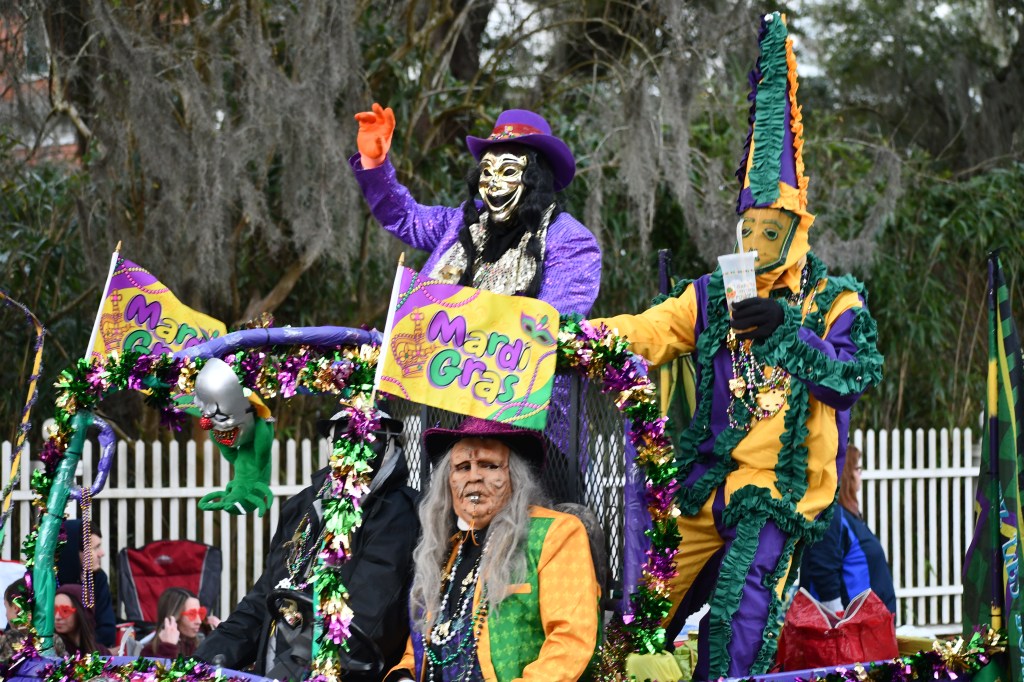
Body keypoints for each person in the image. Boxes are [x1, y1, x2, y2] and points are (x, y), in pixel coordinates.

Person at [590, 12, 883, 679]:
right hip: (706, 483)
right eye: (745, 227)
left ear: (796, 230)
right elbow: (655, 328)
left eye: (768, 228)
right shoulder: (716, 294)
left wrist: (787, 331)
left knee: (735, 616)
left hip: (778, 492)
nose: (752, 242)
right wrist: (578, 337)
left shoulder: (835, 300)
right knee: (637, 610)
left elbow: (850, 377)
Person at [195, 412, 419, 681]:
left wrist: (296, 671)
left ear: (391, 444)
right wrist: (202, 663)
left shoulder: (399, 513)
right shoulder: (302, 506)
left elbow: (369, 618)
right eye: (344, 438)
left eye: (368, 438)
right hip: (276, 667)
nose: (354, 450)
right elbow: (264, 597)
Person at [386, 416, 600, 681]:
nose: (474, 476)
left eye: (489, 465)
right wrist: (404, 674)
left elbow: (570, 643)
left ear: (514, 476)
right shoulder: (449, 550)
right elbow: (429, 643)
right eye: (463, 467)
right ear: (448, 482)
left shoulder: (557, 534)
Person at [351, 105, 601, 317]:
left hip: (512, 371)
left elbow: (552, 329)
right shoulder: (464, 222)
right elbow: (406, 217)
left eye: (508, 171)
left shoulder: (571, 240)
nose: (492, 183)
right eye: (487, 171)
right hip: (433, 364)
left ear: (537, 178)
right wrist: (374, 163)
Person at [800, 445, 897, 613]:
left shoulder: (847, 516)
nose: (860, 474)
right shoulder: (831, 516)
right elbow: (824, 572)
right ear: (846, 473)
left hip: (866, 630)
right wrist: (839, 625)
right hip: (849, 631)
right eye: (857, 468)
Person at [56, 519, 116, 648]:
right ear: (73, 553)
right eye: (95, 548)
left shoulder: (97, 578)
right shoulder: (46, 583)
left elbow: (107, 631)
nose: (102, 553)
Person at [145, 587, 216, 659]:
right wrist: (167, 648)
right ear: (174, 617)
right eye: (191, 614)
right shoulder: (149, 651)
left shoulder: (201, 645)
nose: (199, 621)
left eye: (200, 613)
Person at [53, 584, 108, 657]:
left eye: (65, 611)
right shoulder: (50, 650)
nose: (57, 617)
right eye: (54, 610)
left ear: (82, 613)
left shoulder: (101, 653)